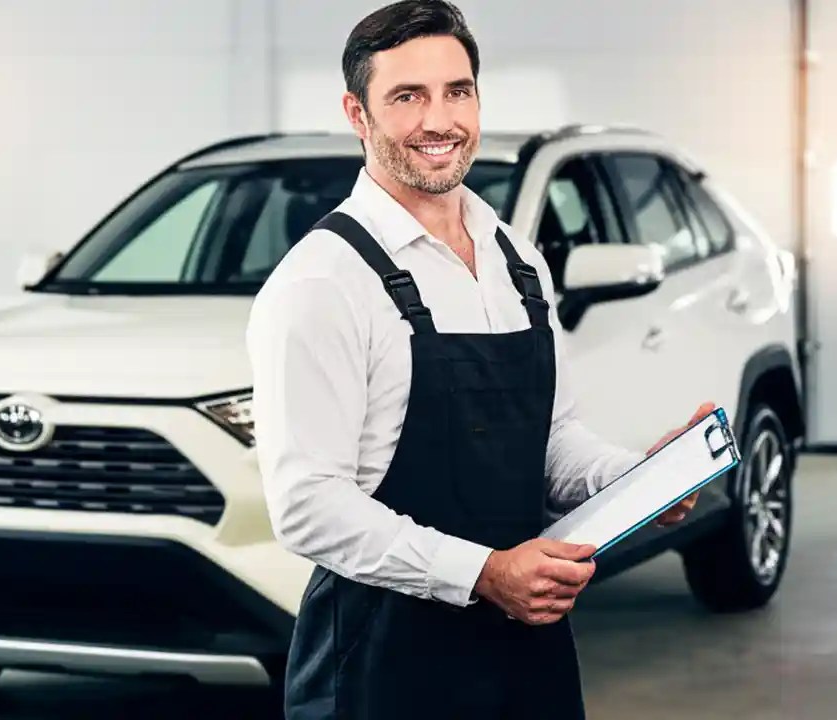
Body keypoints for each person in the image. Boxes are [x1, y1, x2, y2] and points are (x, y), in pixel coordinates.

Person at [245, 2, 712, 717]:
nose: (440, 121)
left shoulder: (515, 260)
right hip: (382, 665)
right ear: (357, 112)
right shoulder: (322, 283)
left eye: (457, 91)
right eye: (408, 97)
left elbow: (549, 441)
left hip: (525, 651)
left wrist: (641, 481)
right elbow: (307, 508)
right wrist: (485, 573)